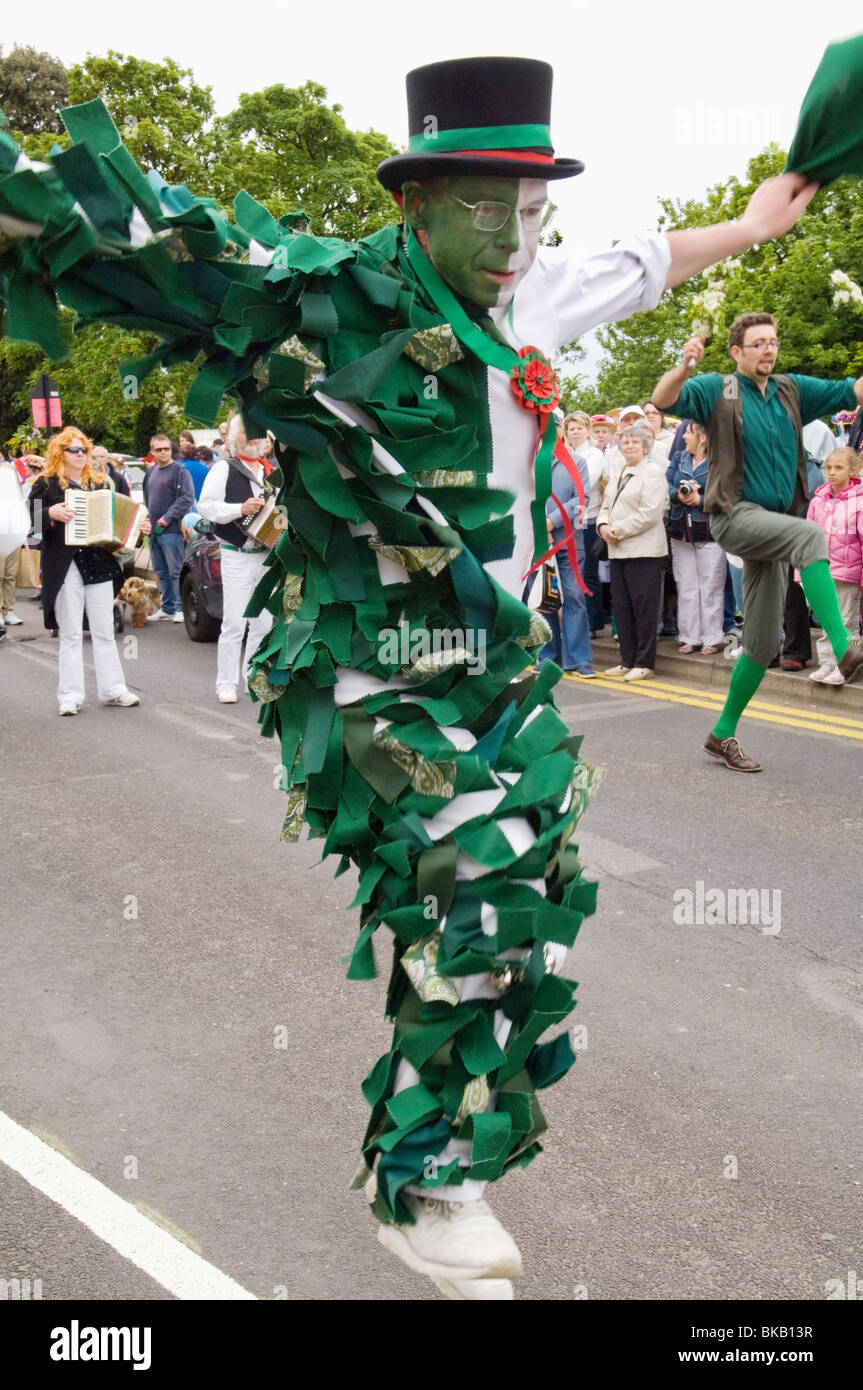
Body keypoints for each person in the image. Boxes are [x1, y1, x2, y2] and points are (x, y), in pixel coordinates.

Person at [0, 54, 822, 1298]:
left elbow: (648, 259)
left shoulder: (537, 289)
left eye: (533, 209)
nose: (512, 239)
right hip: (365, 671)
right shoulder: (323, 297)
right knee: (480, 884)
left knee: (516, 920)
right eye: (484, 208)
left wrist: (759, 221)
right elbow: (141, 239)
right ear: (413, 201)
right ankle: (427, 1181)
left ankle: (429, 1155)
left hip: (492, 675)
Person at [653, 312, 863, 772]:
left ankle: (721, 734)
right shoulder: (718, 388)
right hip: (734, 516)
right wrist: (685, 367)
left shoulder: (791, 389)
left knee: (763, 642)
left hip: (775, 523)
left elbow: (854, 390)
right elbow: (663, 398)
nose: (769, 349)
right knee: (810, 536)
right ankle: (845, 644)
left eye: (773, 342)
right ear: (737, 352)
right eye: (758, 344)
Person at [26, 427, 150, 714]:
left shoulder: (99, 484)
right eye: (74, 450)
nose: (81, 455)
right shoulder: (46, 484)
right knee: (70, 632)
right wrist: (50, 514)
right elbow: (30, 521)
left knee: (104, 630)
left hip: (98, 562)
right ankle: (69, 695)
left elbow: (118, 528)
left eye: (84, 450)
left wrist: (139, 531)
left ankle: (114, 689)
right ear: (61, 453)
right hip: (65, 563)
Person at [197, 417, 275, 703]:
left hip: (266, 555)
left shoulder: (271, 472)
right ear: (235, 439)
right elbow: (205, 506)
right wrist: (240, 508)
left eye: (258, 434)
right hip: (237, 554)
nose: (254, 439)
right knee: (234, 622)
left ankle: (252, 677)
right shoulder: (223, 469)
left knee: (264, 623)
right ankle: (225, 683)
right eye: (247, 434)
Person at [596, 422, 668, 680]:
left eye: (635, 442)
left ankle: (644, 662)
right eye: (625, 442)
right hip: (618, 550)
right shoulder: (618, 473)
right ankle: (627, 659)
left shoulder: (653, 473)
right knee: (622, 606)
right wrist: (603, 526)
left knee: (644, 609)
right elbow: (605, 506)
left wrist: (617, 530)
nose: (629, 446)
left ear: (645, 446)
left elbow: (650, 513)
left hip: (644, 551)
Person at [666, 420, 727, 654]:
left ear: (702, 438)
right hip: (681, 530)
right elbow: (666, 483)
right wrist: (678, 496)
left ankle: (712, 637)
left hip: (710, 532)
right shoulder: (679, 457)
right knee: (686, 584)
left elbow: (727, 492)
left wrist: (703, 500)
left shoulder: (720, 460)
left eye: (688, 433)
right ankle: (689, 635)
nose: (683, 437)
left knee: (711, 585)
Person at [806, 447, 863, 683]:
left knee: (845, 621)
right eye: (828, 467)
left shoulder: (859, 501)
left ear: (853, 470)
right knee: (826, 620)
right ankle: (827, 663)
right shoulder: (818, 500)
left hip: (848, 573)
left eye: (838, 468)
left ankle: (844, 665)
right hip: (822, 573)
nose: (831, 472)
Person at [539, 434, 594, 676]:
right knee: (544, 599)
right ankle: (547, 657)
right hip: (539, 543)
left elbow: (581, 499)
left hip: (570, 541)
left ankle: (579, 659)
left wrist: (551, 522)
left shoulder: (577, 461)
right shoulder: (528, 462)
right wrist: (539, 525)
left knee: (574, 597)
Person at [142, 434, 195, 623]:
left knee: (176, 571)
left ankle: (180, 608)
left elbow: (187, 497)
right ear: (152, 452)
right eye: (159, 449)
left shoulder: (180, 471)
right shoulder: (151, 472)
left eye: (166, 448)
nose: (163, 452)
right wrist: (147, 518)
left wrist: (168, 517)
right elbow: (147, 499)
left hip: (172, 530)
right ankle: (168, 607)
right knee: (161, 571)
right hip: (154, 531)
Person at [562, 411, 605, 633]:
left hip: (588, 520)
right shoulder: (564, 454)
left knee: (588, 573)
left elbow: (583, 483)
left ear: (587, 431)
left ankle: (593, 622)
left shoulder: (595, 455)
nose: (575, 432)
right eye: (571, 428)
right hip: (567, 521)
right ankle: (576, 623)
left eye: (579, 428)